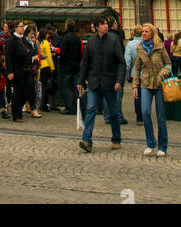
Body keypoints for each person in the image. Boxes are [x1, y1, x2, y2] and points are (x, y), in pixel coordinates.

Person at [77, 13, 125, 153]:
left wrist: (119, 80)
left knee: (113, 113)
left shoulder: (114, 40)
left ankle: (116, 138)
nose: (106, 26)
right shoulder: (91, 42)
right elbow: (85, 63)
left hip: (110, 83)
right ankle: (87, 140)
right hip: (94, 82)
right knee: (91, 109)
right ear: (97, 27)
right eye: (103, 24)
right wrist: (81, 80)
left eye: (106, 24)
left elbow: (121, 63)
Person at [133, 22, 171, 156]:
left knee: (161, 116)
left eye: (146, 31)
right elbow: (137, 68)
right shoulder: (140, 49)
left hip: (159, 84)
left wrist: (162, 74)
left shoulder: (160, 48)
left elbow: (168, 64)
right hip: (146, 84)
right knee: (145, 112)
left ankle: (162, 146)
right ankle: (150, 142)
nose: (143, 33)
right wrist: (134, 85)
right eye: (142, 31)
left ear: (152, 33)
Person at [5, 21, 32, 122]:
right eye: (20, 27)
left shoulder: (23, 39)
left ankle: (18, 109)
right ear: (15, 28)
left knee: (27, 91)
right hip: (17, 70)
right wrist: (10, 71)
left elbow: (30, 48)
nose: (22, 29)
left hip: (26, 69)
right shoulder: (11, 41)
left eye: (23, 27)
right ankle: (16, 114)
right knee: (18, 92)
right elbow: (9, 57)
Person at [57, 19, 82, 115]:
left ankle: (69, 106)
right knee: (74, 87)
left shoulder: (65, 38)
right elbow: (80, 53)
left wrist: (60, 59)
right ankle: (76, 106)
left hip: (66, 66)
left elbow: (63, 53)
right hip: (75, 66)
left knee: (63, 86)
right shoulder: (77, 38)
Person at [38, 28, 55, 112]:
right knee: (46, 87)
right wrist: (52, 68)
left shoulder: (38, 43)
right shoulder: (46, 43)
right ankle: (44, 104)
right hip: (46, 66)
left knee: (42, 86)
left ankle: (42, 104)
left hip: (40, 66)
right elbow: (49, 56)